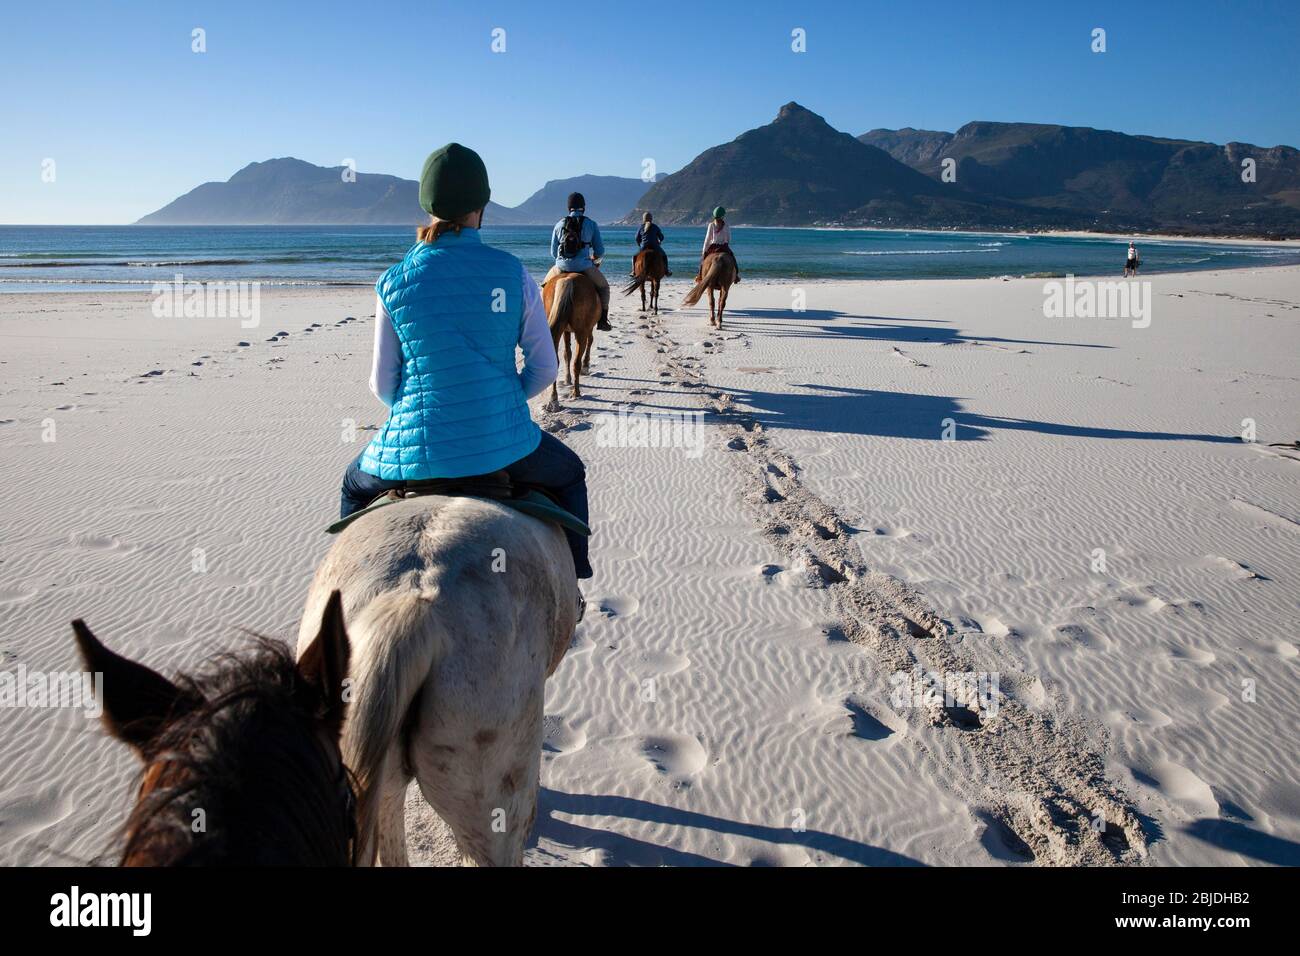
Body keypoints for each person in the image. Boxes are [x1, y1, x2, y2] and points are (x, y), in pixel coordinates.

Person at [339, 142, 593, 581]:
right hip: (502, 443)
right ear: (482, 204)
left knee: (351, 485)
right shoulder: (511, 273)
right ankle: (575, 584)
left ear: (426, 204)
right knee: (570, 475)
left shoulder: (393, 280)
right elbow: (544, 369)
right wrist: (499, 399)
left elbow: (383, 385)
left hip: (412, 449)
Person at [544, 192, 611, 331]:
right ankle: (603, 321)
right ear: (583, 208)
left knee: (545, 287)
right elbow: (600, 250)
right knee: (604, 288)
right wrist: (593, 258)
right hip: (584, 266)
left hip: (561, 266)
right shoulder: (591, 224)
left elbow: (553, 252)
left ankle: (542, 317)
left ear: (569, 208)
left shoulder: (559, 224)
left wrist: (563, 260)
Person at [698, 206, 740, 282]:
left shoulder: (711, 225)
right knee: (733, 259)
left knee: (703, 261)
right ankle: (736, 276)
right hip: (724, 247)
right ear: (723, 216)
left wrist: (704, 251)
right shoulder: (726, 225)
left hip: (713, 247)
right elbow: (729, 239)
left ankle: (700, 276)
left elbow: (707, 239)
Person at [633, 211, 670, 276]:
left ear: (643, 219)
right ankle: (666, 270)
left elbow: (636, 238)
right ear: (651, 219)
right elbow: (661, 237)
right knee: (664, 256)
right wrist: (659, 241)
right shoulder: (655, 227)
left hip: (644, 246)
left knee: (634, 256)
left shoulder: (641, 227)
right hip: (655, 246)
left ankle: (633, 271)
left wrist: (639, 244)